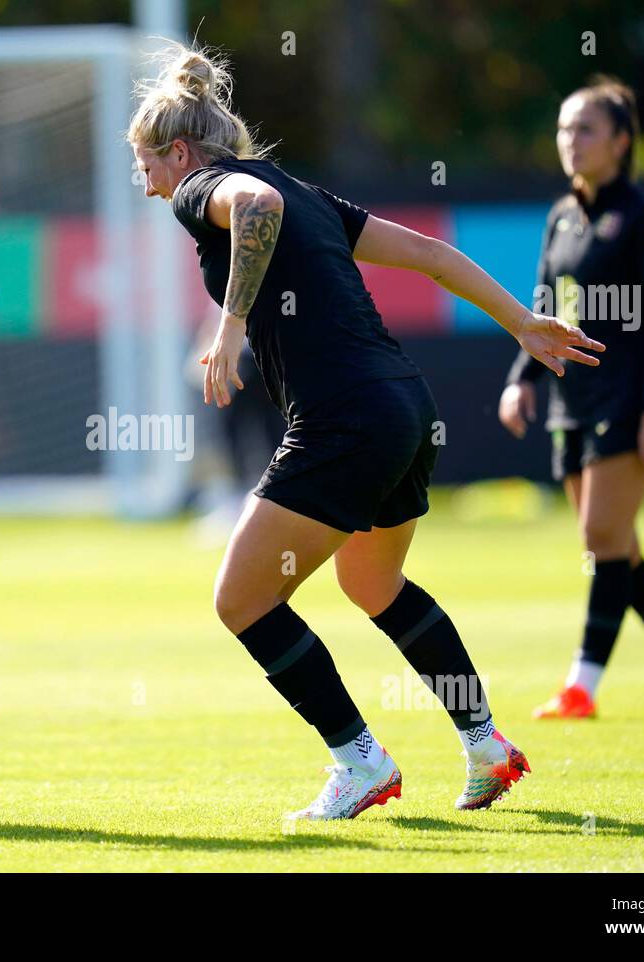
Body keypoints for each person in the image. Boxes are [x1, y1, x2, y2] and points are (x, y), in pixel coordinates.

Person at [128, 42, 604, 820]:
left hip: (345, 419)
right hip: (404, 407)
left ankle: (360, 763)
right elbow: (427, 252)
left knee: (242, 600)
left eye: (145, 164)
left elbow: (256, 211)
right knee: (371, 582)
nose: (145, 184)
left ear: (178, 152)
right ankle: (485, 745)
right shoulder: (303, 189)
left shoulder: (205, 187)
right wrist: (520, 322)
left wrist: (229, 327)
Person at [499, 78, 644, 722]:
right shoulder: (560, 216)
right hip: (573, 401)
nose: (571, 142)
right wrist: (523, 377)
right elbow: (544, 308)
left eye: (586, 130)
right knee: (615, 549)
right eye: (565, 129)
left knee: (603, 538)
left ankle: (582, 687)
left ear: (621, 142)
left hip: (625, 401)